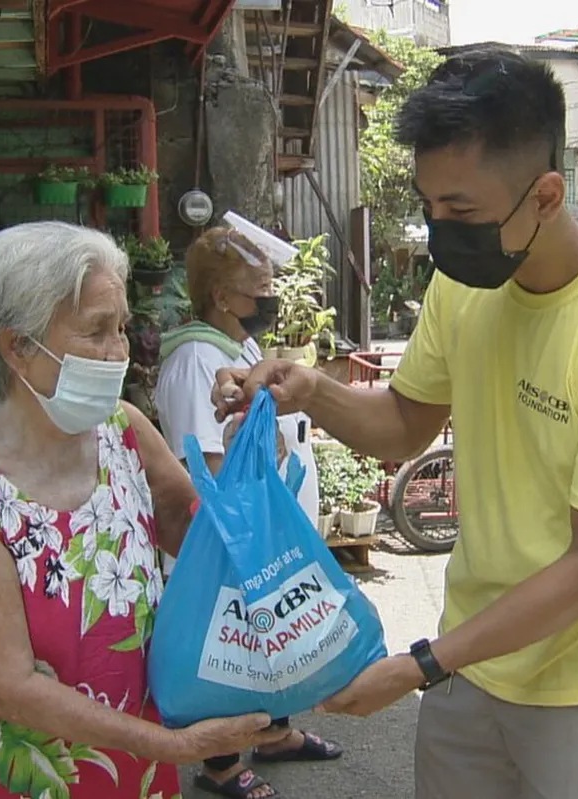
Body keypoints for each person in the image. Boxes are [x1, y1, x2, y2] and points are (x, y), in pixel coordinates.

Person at [212, 49, 578, 799]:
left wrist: (422, 664)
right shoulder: (466, 286)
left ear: (546, 194)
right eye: (430, 206)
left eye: (463, 211)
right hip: (466, 667)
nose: (440, 233)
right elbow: (405, 425)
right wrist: (310, 390)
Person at [0, 221, 290, 799]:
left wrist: (248, 460)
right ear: (17, 346)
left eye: (121, 326)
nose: (119, 350)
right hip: (26, 781)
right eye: (96, 331)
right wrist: (175, 746)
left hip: (135, 774)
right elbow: (4, 687)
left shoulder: (122, 430)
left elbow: (201, 536)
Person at [153, 227, 341, 799]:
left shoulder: (240, 348)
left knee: (267, 639)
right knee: (231, 645)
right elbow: (205, 463)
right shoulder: (194, 359)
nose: (270, 296)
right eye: (258, 287)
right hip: (232, 533)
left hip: (264, 524)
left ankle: (275, 732)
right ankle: (221, 766)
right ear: (221, 298)